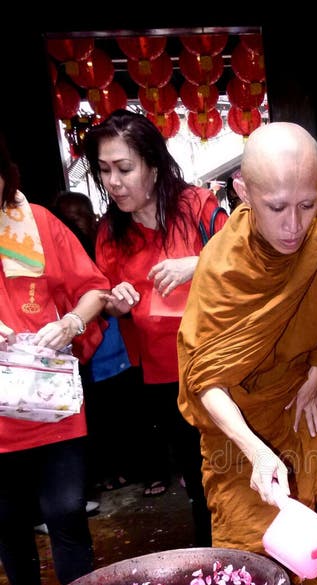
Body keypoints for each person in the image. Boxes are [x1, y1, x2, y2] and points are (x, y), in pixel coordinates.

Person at [177, 121, 317, 585]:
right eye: (276, 207)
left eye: (306, 204)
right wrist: (258, 452)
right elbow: (205, 380)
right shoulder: (224, 266)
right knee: (251, 559)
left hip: (302, 397)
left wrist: (316, 374)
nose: (293, 225)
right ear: (243, 192)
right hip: (240, 422)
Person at [83, 109, 227, 546]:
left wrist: (197, 264)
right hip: (163, 375)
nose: (114, 181)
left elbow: (247, 264)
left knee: (232, 469)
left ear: (154, 164)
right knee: (196, 475)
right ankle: (214, 561)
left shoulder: (197, 206)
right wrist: (116, 303)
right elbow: (103, 295)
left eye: (125, 168)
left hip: (220, 363)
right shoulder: (110, 231)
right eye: (105, 170)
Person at [0, 133, 110, 585]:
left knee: (66, 511)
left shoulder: (35, 221)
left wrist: (70, 321)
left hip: (50, 399)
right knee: (7, 520)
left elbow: (94, 288)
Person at [51, 190, 142, 497]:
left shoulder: (107, 244)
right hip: (83, 353)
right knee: (98, 419)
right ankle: (108, 472)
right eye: (69, 217)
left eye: (82, 214)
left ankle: (143, 468)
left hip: (121, 347)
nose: (77, 222)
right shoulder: (58, 253)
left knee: (131, 413)